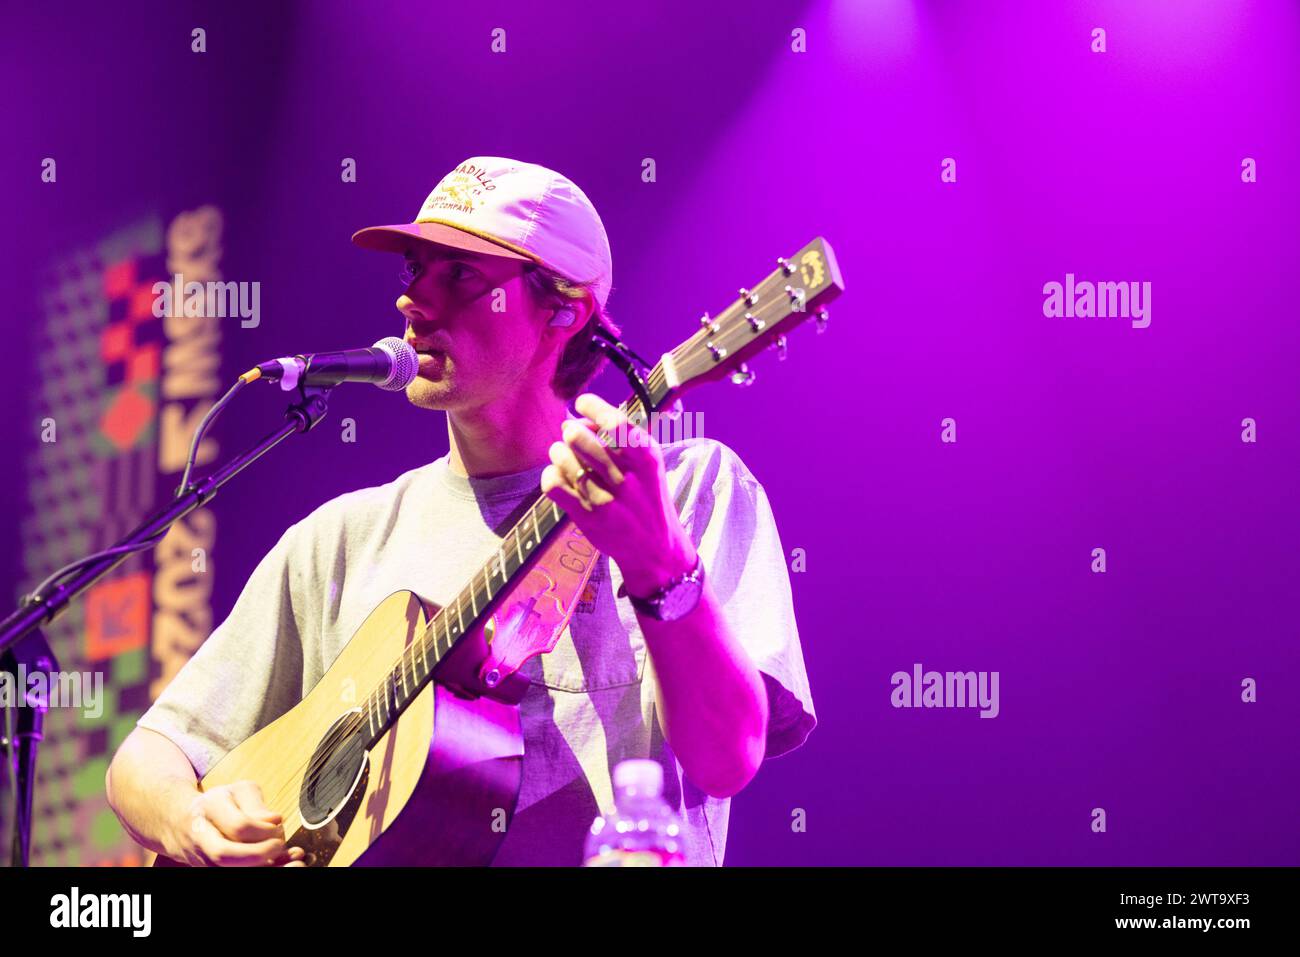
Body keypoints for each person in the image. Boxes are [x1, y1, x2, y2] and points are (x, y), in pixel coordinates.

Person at [105, 156, 816, 866]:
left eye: (460, 275)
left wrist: (660, 560)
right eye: (414, 270)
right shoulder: (340, 539)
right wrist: (191, 817)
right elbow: (144, 759)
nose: (412, 301)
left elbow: (728, 760)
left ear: (564, 312)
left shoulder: (685, 489)